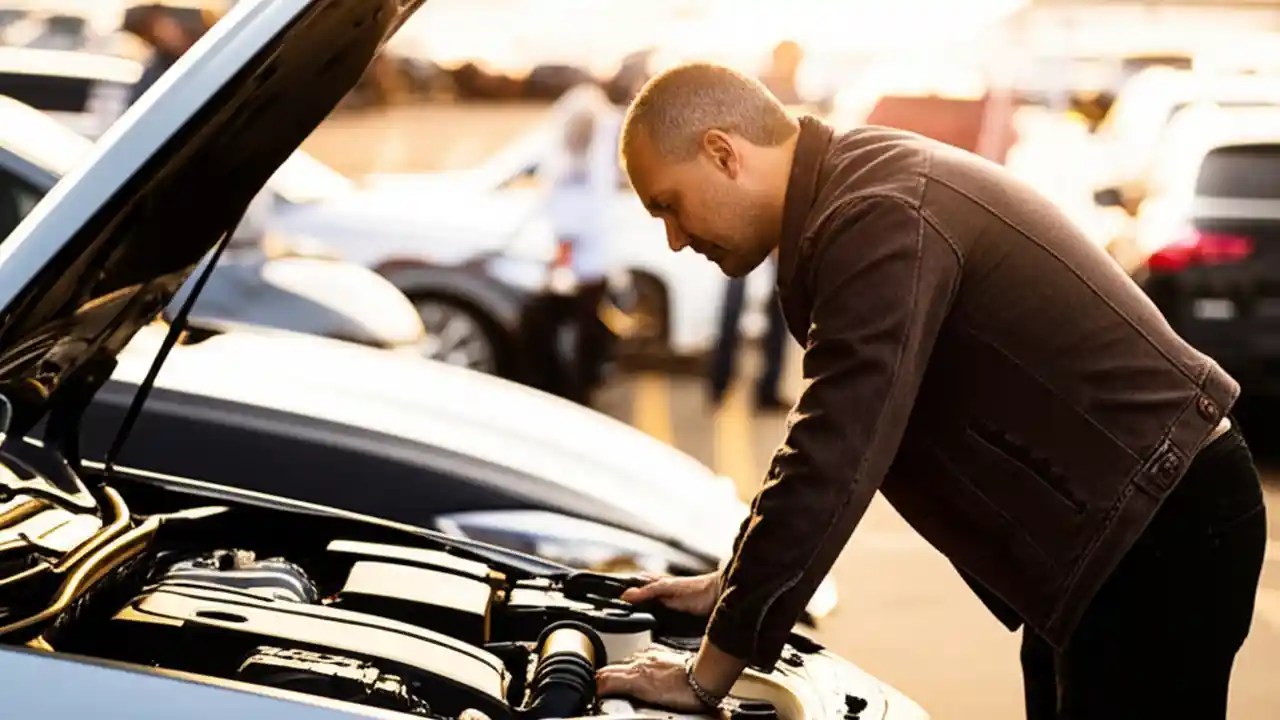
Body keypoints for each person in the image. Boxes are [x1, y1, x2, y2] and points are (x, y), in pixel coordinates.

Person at [595, 62, 1264, 719]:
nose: (675, 240)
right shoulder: (853, 191)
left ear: (722, 153)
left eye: (669, 206)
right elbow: (827, 444)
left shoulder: (876, 214)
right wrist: (733, 586)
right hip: (1113, 532)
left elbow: (834, 450)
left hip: (1161, 529)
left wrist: (707, 675)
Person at [534, 84, 621, 404]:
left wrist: (563, 250)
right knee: (583, 324)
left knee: (575, 325)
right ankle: (579, 383)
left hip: (575, 254)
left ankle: (575, 385)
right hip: (585, 255)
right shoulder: (584, 156)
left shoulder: (578, 157)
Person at [707, 257, 789, 410]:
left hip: (766, 244)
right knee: (734, 309)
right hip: (744, 242)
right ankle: (720, 382)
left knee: (779, 308)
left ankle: (767, 389)